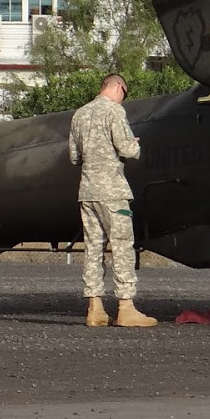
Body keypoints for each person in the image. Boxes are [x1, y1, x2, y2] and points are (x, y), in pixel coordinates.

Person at [66, 72, 157, 328]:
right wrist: (134, 143)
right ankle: (126, 307)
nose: (123, 100)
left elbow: (74, 156)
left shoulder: (80, 114)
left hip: (88, 191)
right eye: (124, 94)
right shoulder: (114, 112)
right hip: (113, 191)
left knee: (93, 248)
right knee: (121, 245)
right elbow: (127, 149)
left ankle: (95, 308)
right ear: (118, 87)